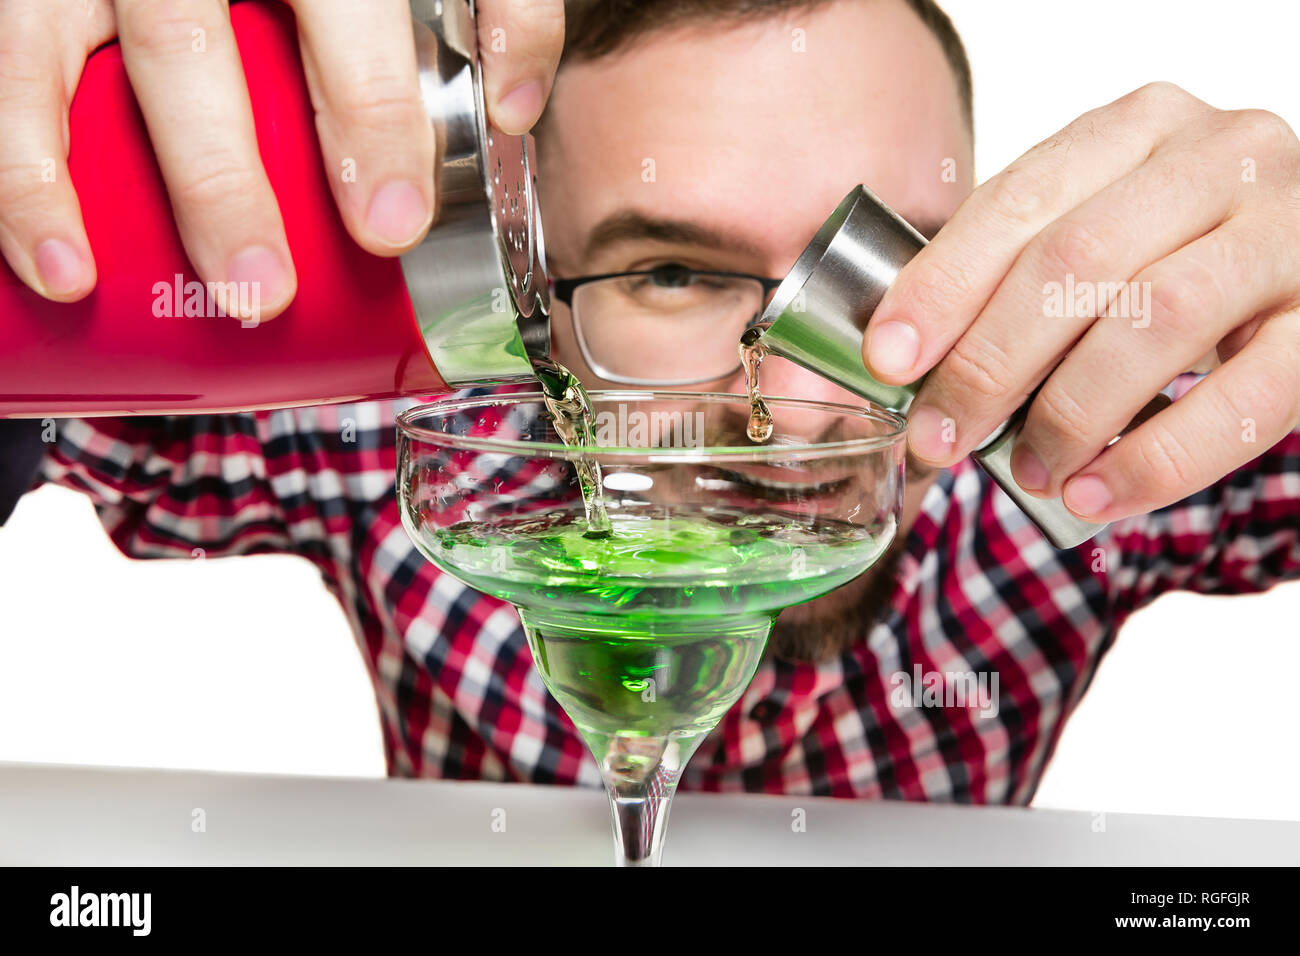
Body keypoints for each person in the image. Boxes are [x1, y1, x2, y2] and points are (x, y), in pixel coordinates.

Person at [1, 0, 1297, 800]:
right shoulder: (422, 451)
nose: (791, 397)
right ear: (534, 303)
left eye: (882, 274)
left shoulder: (1081, 459)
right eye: (673, 271)